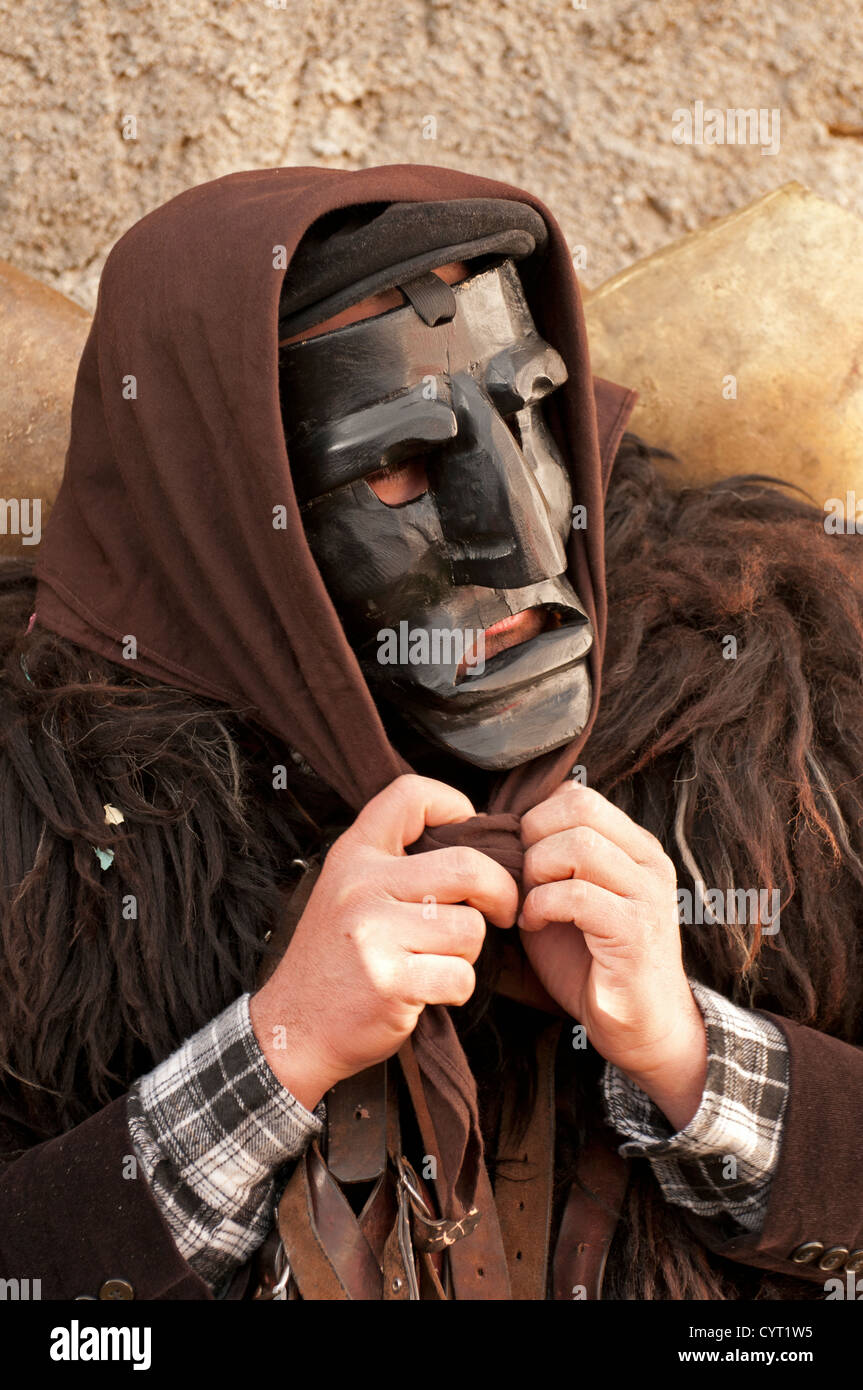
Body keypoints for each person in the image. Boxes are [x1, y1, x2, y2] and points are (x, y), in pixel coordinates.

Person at [0, 165, 860, 1301]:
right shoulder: (47, 858)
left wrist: (691, 1053)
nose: (516, 535)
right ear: (227, 517)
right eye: (398, 468)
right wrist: (269, 1058)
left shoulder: (772, 753)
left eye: (525, 416)